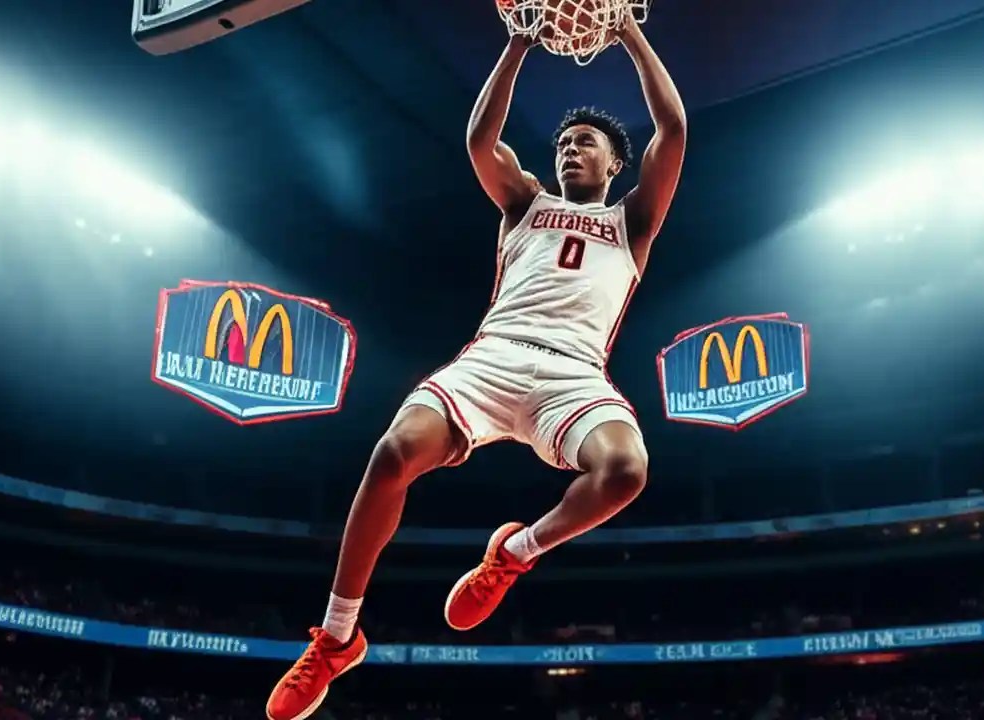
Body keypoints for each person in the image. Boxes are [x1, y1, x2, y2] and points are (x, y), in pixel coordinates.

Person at [267, 14, 685, 720]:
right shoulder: (525, 203)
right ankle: (338, 637)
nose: (570, 149)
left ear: (616, 163)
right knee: (396, 450)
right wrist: (520, 42)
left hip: (574, 376)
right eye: (563, 142)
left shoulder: (632, 223)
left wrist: (629, 36)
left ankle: (516, 551)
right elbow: (479, 141)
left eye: (586, 143)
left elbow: (672, 133)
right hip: (492, 359)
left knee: (627, 471)